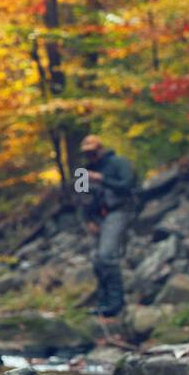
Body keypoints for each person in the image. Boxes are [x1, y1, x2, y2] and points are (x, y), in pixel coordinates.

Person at [79, 134, 138, 318]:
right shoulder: (84, 172)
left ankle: (116, 304)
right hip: (98, 217)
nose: (91, 157)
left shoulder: (118, 163)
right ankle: (103, 302)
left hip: (120, 211)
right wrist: (88, 220)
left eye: (94, 152)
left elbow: (128, 185)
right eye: (87, 154)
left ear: (101, 149)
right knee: (97, 260)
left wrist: (101, 178)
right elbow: (82, 198)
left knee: (107, 255)